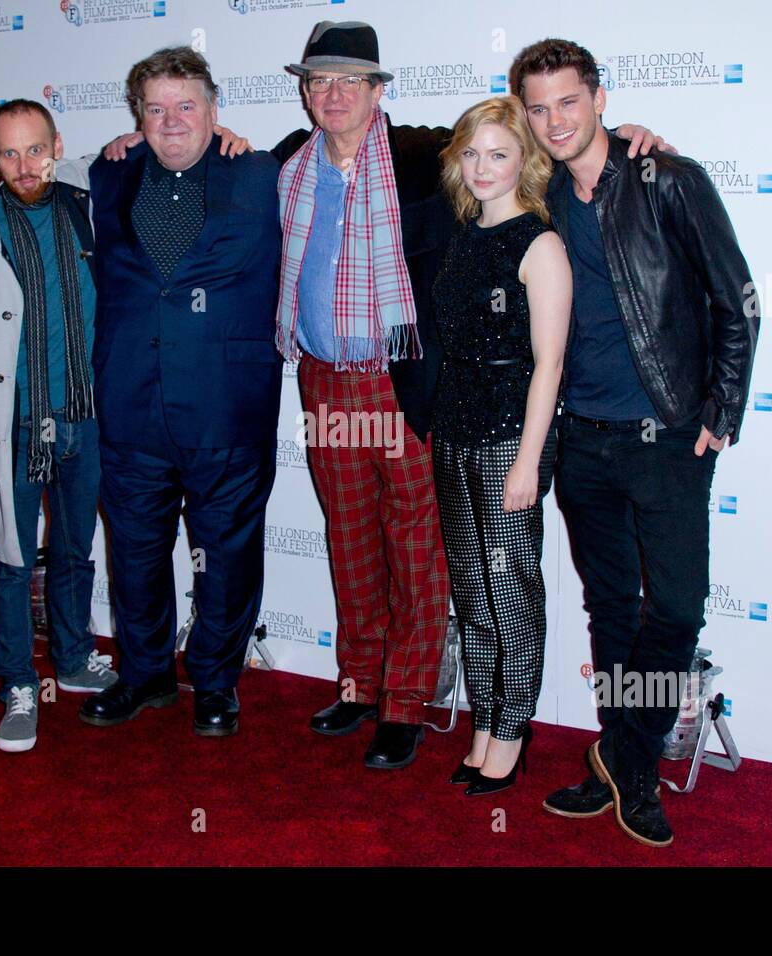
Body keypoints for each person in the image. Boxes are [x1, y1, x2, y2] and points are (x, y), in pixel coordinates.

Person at [101, 20, 669, 771]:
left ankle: (405, 703)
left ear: (377, 90)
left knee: (415, 546)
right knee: (350, 541)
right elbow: (194, 153)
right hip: (321, 381)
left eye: (350, 81)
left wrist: (616, 138)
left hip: (399, 381)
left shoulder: (422, 155)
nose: (333, 95)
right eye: (319, 81)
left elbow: (516, 148)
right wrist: (185, 133)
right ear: (303, 92)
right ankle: (359, 686)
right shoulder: (281, 166)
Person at [509, 39, 759, 846]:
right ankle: (628, 763)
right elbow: (425, 152)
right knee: (610, 607)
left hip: (667, 438)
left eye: (568, 102)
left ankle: (628, 754)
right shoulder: (533, 194)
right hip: (581, 443)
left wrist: (723, 406)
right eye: (538, 107)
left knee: (677, 608)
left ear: (600, 99)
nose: (554, 121)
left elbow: (737, 300)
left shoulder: (668, 181)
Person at [77, 47, 282, 738]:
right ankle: (145, 675)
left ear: (214, 109)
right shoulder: (108, 172)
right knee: (133, 553)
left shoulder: (261, 172)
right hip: (131, 404)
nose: (171, 122)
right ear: (137, 116)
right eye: (155, 109)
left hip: (227, 409)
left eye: (185, 106)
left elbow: (397, 141)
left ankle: (217, 682)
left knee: (226, 557)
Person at [0, 99, 117, 754]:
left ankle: (73, 659)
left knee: (75, 550)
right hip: (11, 427)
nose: (24, 165)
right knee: (14, 562)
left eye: (35, 149)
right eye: (9, 153)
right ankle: (18, 683)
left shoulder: (86, 200)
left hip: (85, 415)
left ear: (57, 146)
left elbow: (146, 149)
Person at [430, 96, 570, 796]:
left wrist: (526, 461)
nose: (483, 167)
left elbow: (549, 363)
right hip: (452, 435)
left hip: (509, 440)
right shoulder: (462, 234)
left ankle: (514, 727)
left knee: (510, 588)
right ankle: (484, 717)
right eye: (472, 153)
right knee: (471, 591)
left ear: (527, 161)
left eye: (500, 154)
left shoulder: (538, 242)